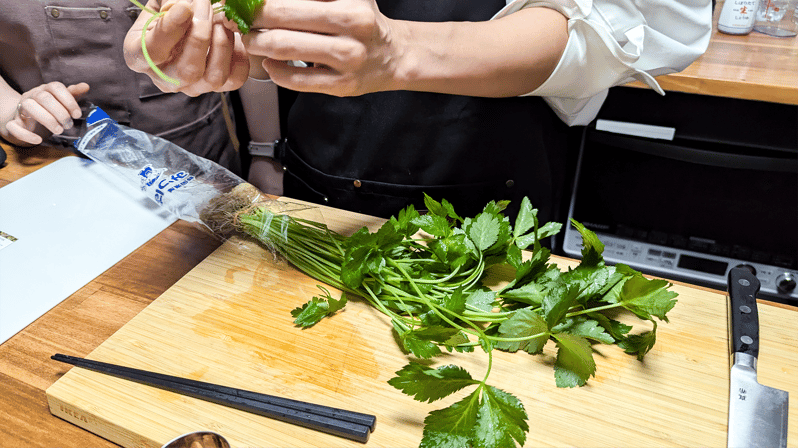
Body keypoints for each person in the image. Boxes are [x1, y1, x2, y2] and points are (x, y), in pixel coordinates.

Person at [123, 0, 712, 222]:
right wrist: (192, 38)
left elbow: (652, 20)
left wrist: (400, 52)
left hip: (493, 192)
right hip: (309, 182)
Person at [0, 0, 243, 175]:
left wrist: (266, 151)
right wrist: (11, 110)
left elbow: (242, 30)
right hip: (49, 162)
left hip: (198, 151)